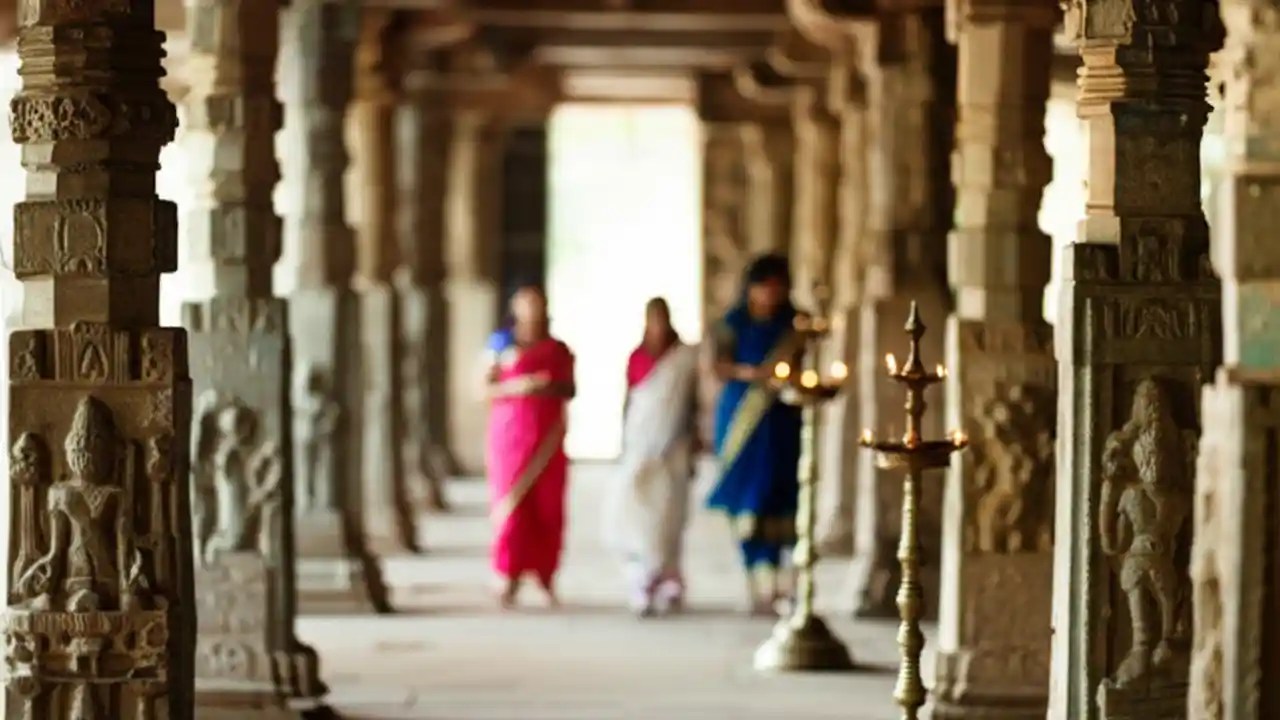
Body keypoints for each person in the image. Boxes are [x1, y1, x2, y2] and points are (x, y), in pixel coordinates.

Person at [706, 254, 805, 615]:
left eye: (778, 287)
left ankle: (779, 580)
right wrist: (755, 374)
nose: (771, 294)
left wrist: (785, 380)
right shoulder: (732, 325)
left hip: (781, 420)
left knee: (779, 494)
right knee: (747, 497)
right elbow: (718, 367)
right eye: (765, 286)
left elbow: (802, 368)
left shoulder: (793, 326)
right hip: (742, 417)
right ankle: (754, 579)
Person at [606, 297, 700, 617]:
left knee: (669, 514)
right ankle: (643, 575)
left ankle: (667, 575)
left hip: (674, 447)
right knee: (638, 511)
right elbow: (631, 400)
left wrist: (693, 441)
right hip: (640, 443)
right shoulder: (637, 357)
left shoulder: (684, 358)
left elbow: (692, 403)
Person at [485, 285, 576, 609]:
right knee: (513, 509)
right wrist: (518, 386)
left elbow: (570, 388)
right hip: (510, 436)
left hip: (547, 439)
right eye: (526, 305)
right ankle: (508, 575)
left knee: (547, 509)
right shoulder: (500, 345)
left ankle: (545, 575)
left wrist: (545, 386)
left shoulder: (558, 350)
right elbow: (483, 387)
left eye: (537, 305)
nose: (532, 311)